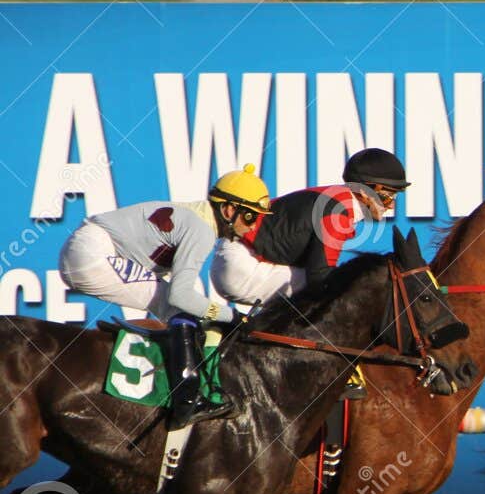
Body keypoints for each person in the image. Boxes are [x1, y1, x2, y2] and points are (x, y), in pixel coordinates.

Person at [59, 165, 271, 428]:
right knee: (180, 309)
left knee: (179, 309)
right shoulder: (202, 230)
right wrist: (232, 316)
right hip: (91, 254)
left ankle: (186, 393)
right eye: (251, 217)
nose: (252, 227)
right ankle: (188, 399)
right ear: (229, 210)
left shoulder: (196, 219)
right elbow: (181, 296)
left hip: (86, 248)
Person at [212, 147, 408, 303]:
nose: (391, 205)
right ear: (365, 192)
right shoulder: (337, 212)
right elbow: (319, 277)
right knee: (340, 291)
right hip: (242, 266)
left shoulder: (336, 197)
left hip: (237, 257)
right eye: (388, 196)